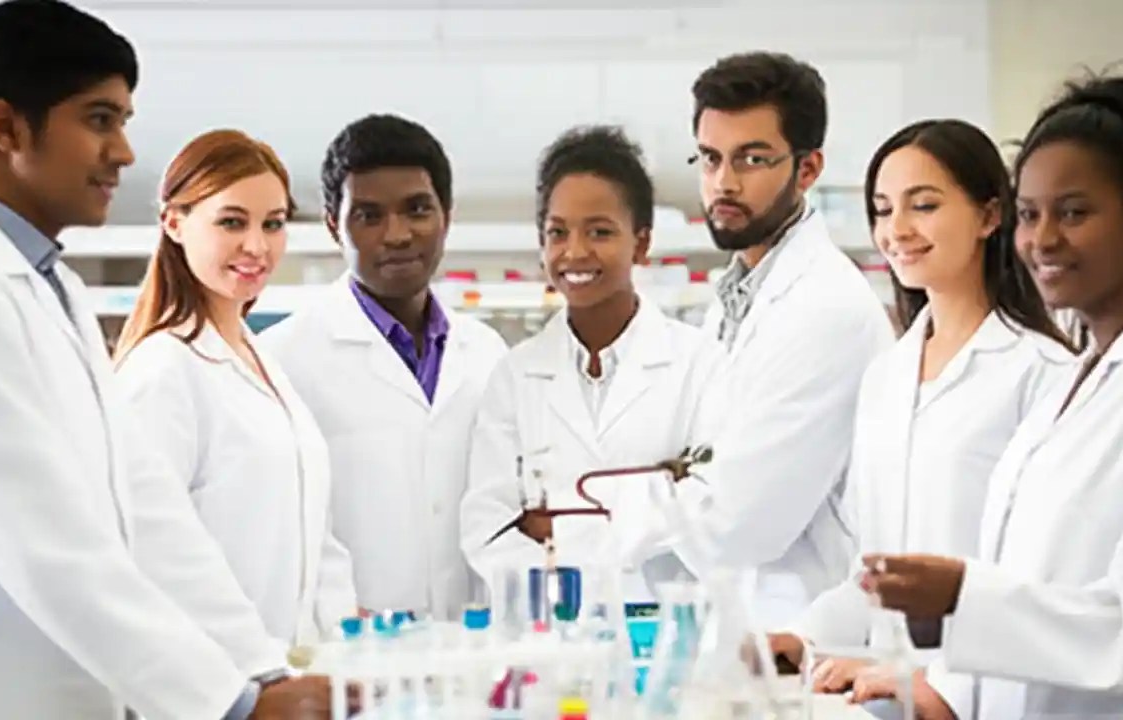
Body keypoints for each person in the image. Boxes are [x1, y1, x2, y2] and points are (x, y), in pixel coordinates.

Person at [0, 1, 329, 717]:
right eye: (99, 119)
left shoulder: (57, 292)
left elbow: (149, 511)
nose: (125, 152)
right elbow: (47, 542)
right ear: (7, 127)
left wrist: (260, 672)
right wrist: (229, 701)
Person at [861, 75, 1123, 718]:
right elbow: (1035, 584)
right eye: (1030, 214)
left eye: (1074, 212)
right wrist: (950, 690)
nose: (1042, 240)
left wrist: (964, 598)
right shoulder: (1082, 381)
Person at [766, 120, 1077, 715]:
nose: (897, 231)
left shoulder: (1042, 372)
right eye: (883, 210)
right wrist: (801, 640)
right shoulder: (887, 374)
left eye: (924, 205)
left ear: (991, 216)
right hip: (883, 692)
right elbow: (875, 569)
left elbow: (1044, 586)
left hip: (980, 698)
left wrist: (940, 682)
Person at [112, 130, 358, 671]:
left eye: (273, 223)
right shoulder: (162, 371)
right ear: (174, 222)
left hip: (293, 676)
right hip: (218, 683)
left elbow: (317, 534)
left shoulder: (261, 361)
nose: (257, 245)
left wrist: (346, 652)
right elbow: (155, 557)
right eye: (232, 221)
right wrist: (258, 672)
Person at [460, 126, 725, 600]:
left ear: (641, 244)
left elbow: (712, 505)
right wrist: (656, 489)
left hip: (666, 619)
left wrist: (557, 520)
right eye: (557, 233)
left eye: (599, 231)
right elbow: (487, 528)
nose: (575, 252)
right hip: (553, 629)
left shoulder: (699, 361)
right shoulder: (515, 375)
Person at [260, 114, 508, 621]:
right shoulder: (281, 359)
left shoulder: (486, 354)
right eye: (369, 216)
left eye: (417, 209)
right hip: (349, 656)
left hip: (476, 645)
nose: (397, 235)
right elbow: (278, 538)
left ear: (447, 215)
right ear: (334, 225)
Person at [676, 51, 894, 625]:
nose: (723, 182)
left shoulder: (827, 309)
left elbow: (736, 529)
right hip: (749, 627)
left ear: (807, 168)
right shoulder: (735, 297)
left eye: (751, 159)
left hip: (808, 632)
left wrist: (648, 493)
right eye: (710, 158)